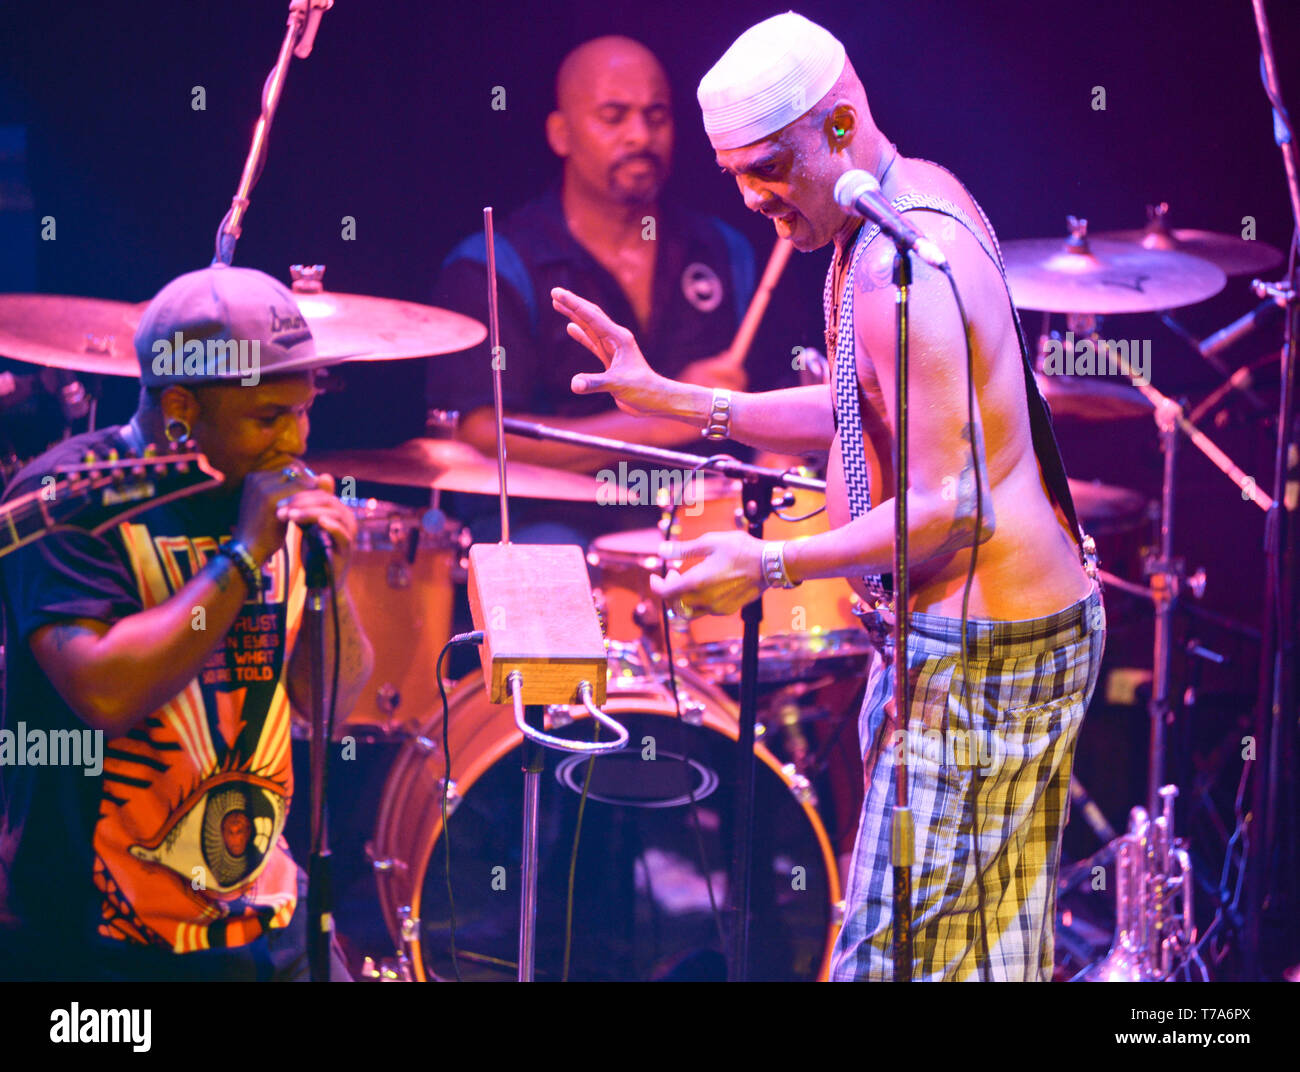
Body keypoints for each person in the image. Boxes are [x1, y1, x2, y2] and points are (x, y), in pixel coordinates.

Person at [549, 12, 1105, 981]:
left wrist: (767, 564)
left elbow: (949, 507)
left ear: (841, 127)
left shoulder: (903, 261)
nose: (758, 200)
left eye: (771, 169)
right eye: (736, 178)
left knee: (890, 962)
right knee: (986, 959)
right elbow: (860, 401)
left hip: (982, 658)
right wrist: (677, 398)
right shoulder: (888, 206)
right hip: (988, 638)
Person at [0, 264, 373, 981]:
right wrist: (243, 556)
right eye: (267, 418)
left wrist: (335, 581)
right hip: (95, 929)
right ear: (179, 407)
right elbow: (105, 693)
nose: (293, 441)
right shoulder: (69, 498)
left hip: (259, 906)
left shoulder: (270, 500)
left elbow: (330, 706)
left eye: (302, 413)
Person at [429, 34, 765, 477]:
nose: (641, 136)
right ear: (561, 134)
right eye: (614, 117)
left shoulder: (726, 249)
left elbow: (783, 392)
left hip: (703, 514)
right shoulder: (492, 267)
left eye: (656, 115)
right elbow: (479, 436)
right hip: (555, 520)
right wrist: (665, 418)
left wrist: (777, 459)